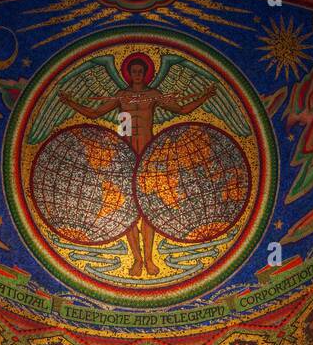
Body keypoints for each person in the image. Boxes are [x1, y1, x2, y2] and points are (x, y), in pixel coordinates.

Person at [59, 56, 216, 277]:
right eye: (133, 71)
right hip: (125, 152)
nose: (137, 75)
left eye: (140, 71)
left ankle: (150, 260)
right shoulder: (121, 96)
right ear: (128, 74)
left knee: (147, 210)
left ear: (146, 73)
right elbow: (95, 113)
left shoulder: (153, 95)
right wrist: (69, 103)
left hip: (148, 152)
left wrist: (204, 97)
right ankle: (137, 259)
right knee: (127, 209)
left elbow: (181, 110)